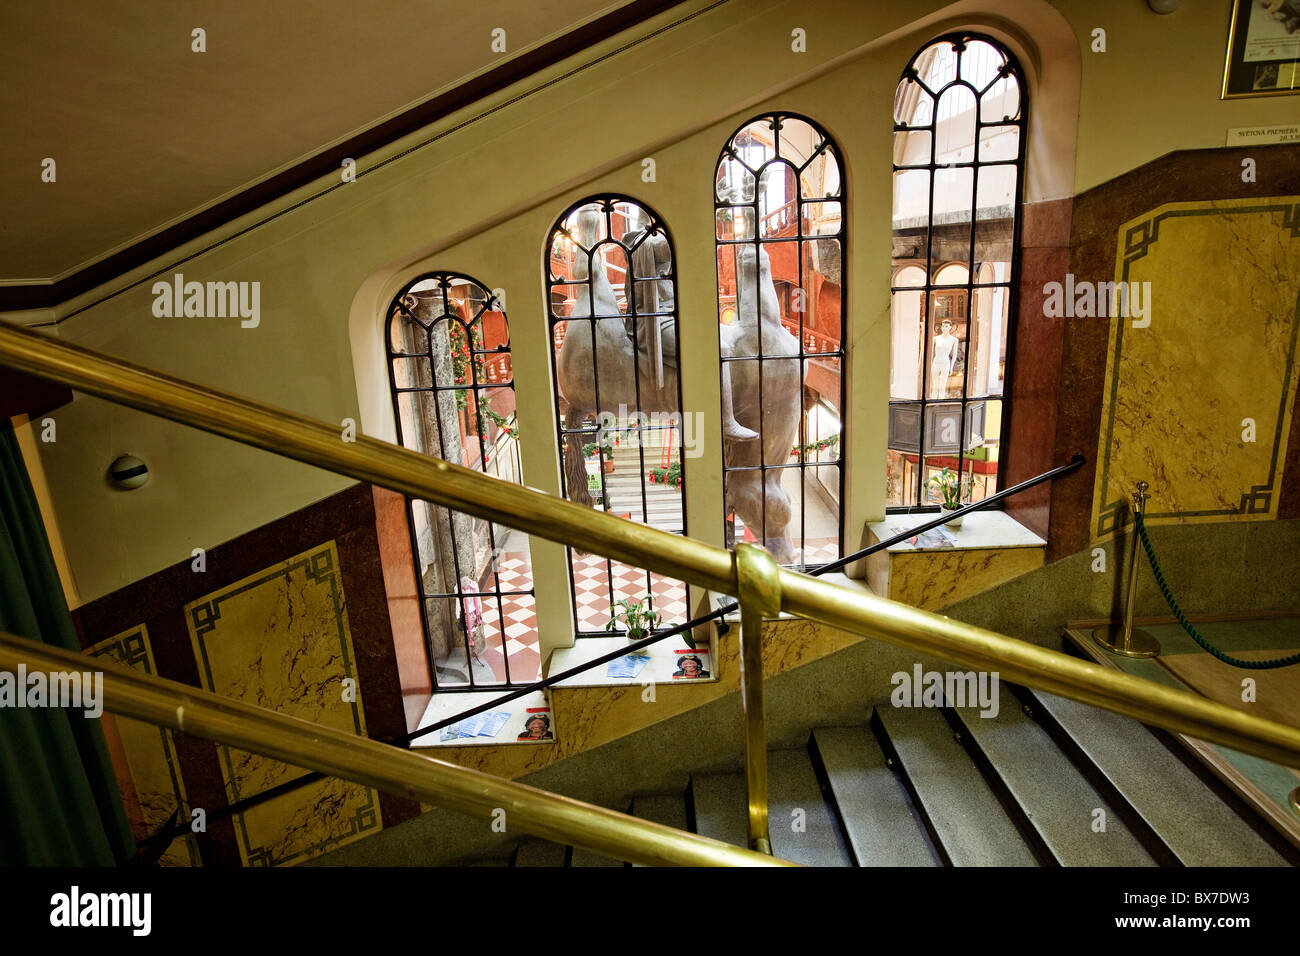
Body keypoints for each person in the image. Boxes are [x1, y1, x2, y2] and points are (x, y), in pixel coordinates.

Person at [930, 319, 959, 399]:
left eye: (946, 326)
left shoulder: (954, 340)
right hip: (936, 362)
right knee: (935, 386)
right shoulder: (936, 338)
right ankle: (933, 402)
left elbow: (954, 354)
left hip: (945, 363)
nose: (944, 328)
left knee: (942, 386)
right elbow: (930, 351)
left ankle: (940, 402)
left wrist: (951, 367)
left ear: (950, 327)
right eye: (943, 326)